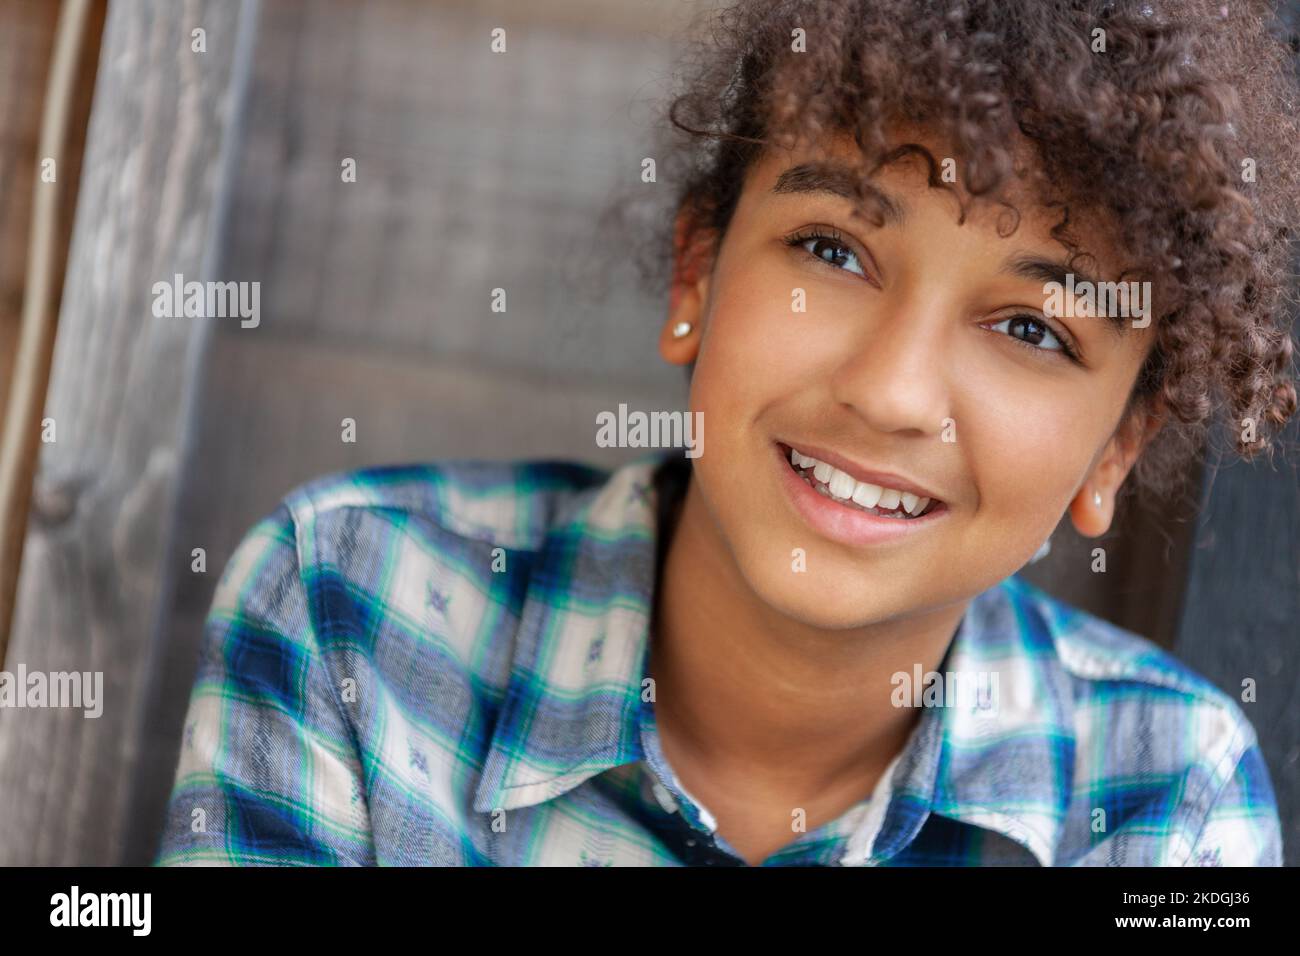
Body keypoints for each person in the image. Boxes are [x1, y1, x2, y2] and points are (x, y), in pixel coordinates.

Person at [155, 0, 1297, 866]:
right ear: (697, 269)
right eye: (833, 252)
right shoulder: (353, 608)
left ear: (1114, 450)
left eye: (1032, 329)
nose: (892, 392)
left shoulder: (1165, 797)